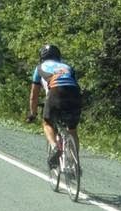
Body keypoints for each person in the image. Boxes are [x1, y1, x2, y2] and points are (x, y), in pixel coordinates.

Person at [26, 43, 82, 171]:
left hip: (56, 94)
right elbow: (73, 84)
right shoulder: (67, 67)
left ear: (41, 57)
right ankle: (75, 163)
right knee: (72, 129)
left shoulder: (40, 67)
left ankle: (55, 146)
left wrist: (33, 113)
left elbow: (34, 96)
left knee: (47, 123)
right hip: (75, 95)